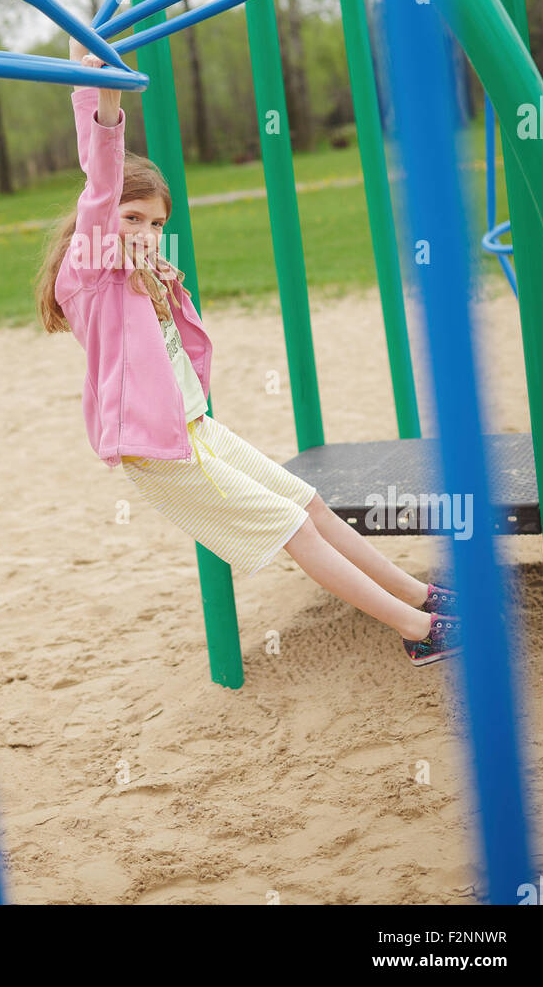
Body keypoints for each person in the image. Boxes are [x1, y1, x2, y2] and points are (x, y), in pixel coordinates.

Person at [34, 39, 463, 666]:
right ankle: (420, 631)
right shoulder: (92, 272)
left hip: (196, 429)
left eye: (156, 223)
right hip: (158, 449)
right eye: (132, 219)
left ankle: (421, 595)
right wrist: (93, 90)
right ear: (98, 225)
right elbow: (99, 175)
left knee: (308, 502)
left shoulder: (143, 272)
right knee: (289, 527)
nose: (147, 234)